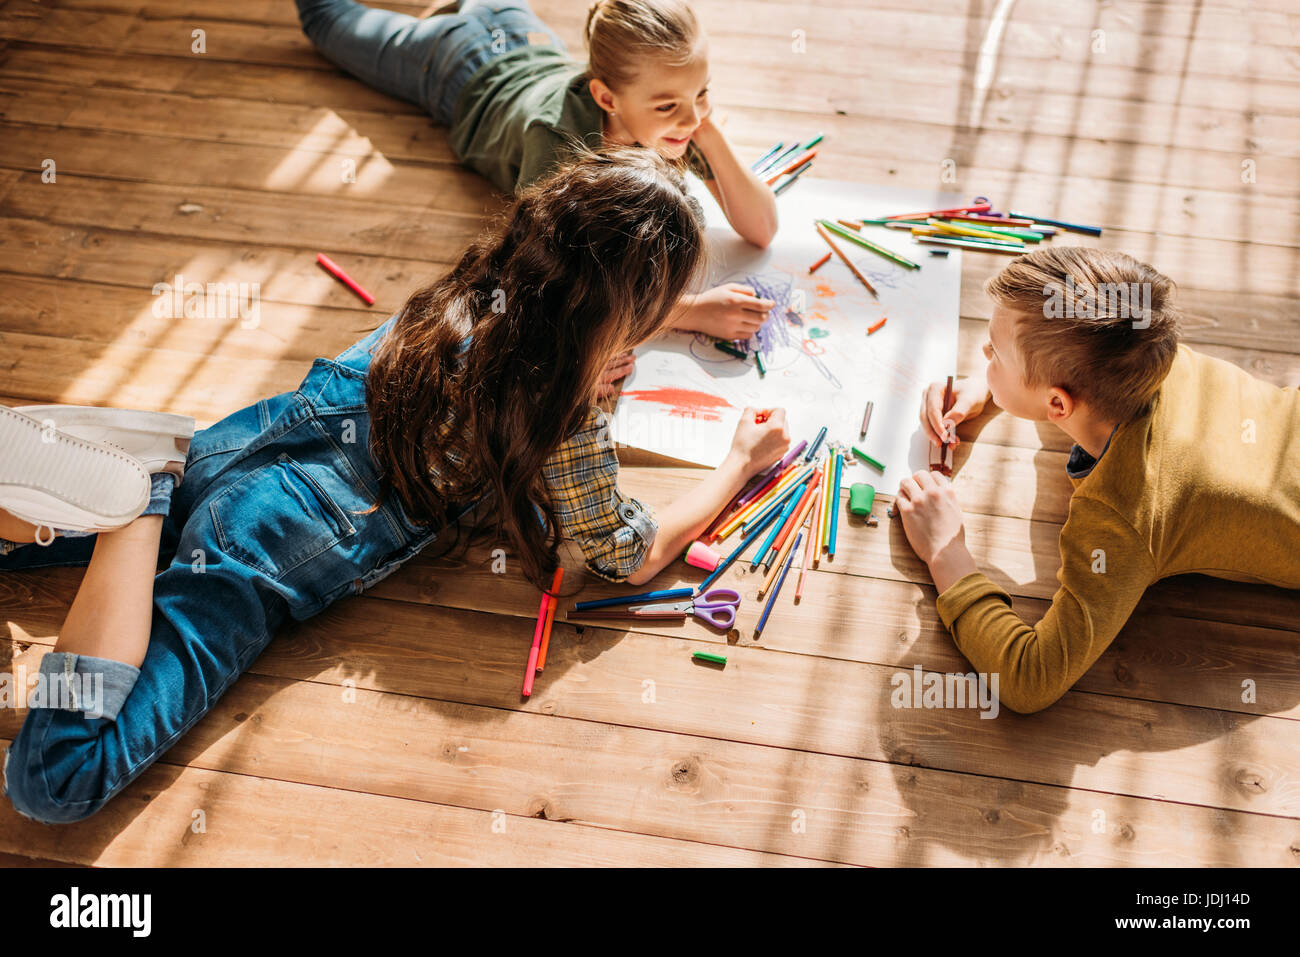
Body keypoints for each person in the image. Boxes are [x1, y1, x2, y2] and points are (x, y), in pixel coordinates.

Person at [0, 147, 790, 824]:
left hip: (255, 439)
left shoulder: (482, 284)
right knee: (58, 778)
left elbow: (570, 294)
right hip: (277, 534)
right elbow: (626, 553)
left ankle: (140, 481)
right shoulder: (565, 414)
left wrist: (657, 321)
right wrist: (739, 462)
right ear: (611, 317)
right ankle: (139, 502)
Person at [895, 246, 1300, 714]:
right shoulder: (1143, 349)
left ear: (1058, 405)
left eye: (995, 353)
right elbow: (1070, 369)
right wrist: (993, 385)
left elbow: (1030, 679)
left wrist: (946, 553)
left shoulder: (1122, 514)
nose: (984, 355)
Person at [294, 0, 780, 344]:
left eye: (703, 92)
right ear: (606, 98)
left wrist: (708, 132)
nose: (692, 118)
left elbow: (761, 228)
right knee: (325, 18)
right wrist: (688, 312)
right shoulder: (560, 146)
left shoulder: (671, 118)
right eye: (671, 105)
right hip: (456, 64)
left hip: (521, 31)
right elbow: (544, 284)